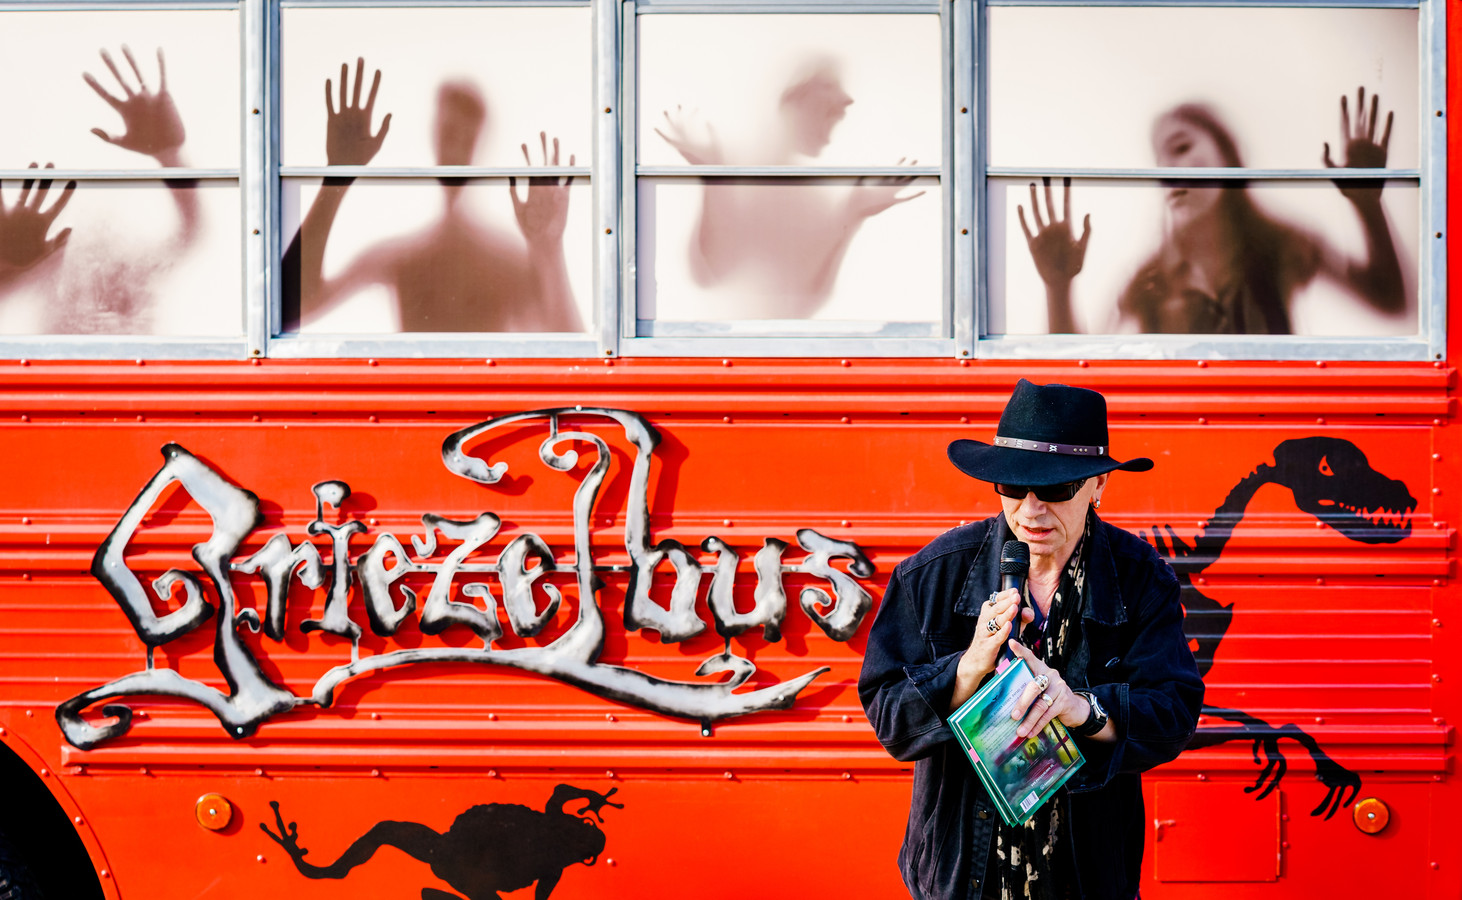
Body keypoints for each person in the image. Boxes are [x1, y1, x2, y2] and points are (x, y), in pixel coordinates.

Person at [859, 379, 1204, 900]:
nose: (1030, 510)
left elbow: (1173, 713)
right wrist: (969, 667)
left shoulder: (1140, 579)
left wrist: (1081, 709)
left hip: (1087, 878)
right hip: (962, 879)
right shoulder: (933, 575)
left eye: (1057, 490)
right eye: (1013, 488)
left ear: (1098, 486)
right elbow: (890, 718)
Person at [1020, 90, 1406, 334]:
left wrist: (1367, 204)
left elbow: (1389, 300)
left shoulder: (1283, 246)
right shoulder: (1149, 284)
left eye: (1181, 147)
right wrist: (1058, 287)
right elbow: (1076, 376)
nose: (1167, 170)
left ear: (1227, 154)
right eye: (1158, 160)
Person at [282, 58, 581, 333]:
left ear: (479, 143)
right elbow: (290, 311)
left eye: (466, 137)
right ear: (434, 133)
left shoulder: (504, 259)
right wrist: (337, 177)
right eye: (448, 133)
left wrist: (548, 248)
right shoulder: (403, 255)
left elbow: (575, 348)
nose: (454, 150)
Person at [654, 60, 921, 319]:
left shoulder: (813, 193)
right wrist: (714, 177)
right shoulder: (750, 171)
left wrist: (852, 215)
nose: (846, 99)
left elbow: (801, 303)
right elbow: (713, 277)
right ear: (789, 97)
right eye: (828, 85)